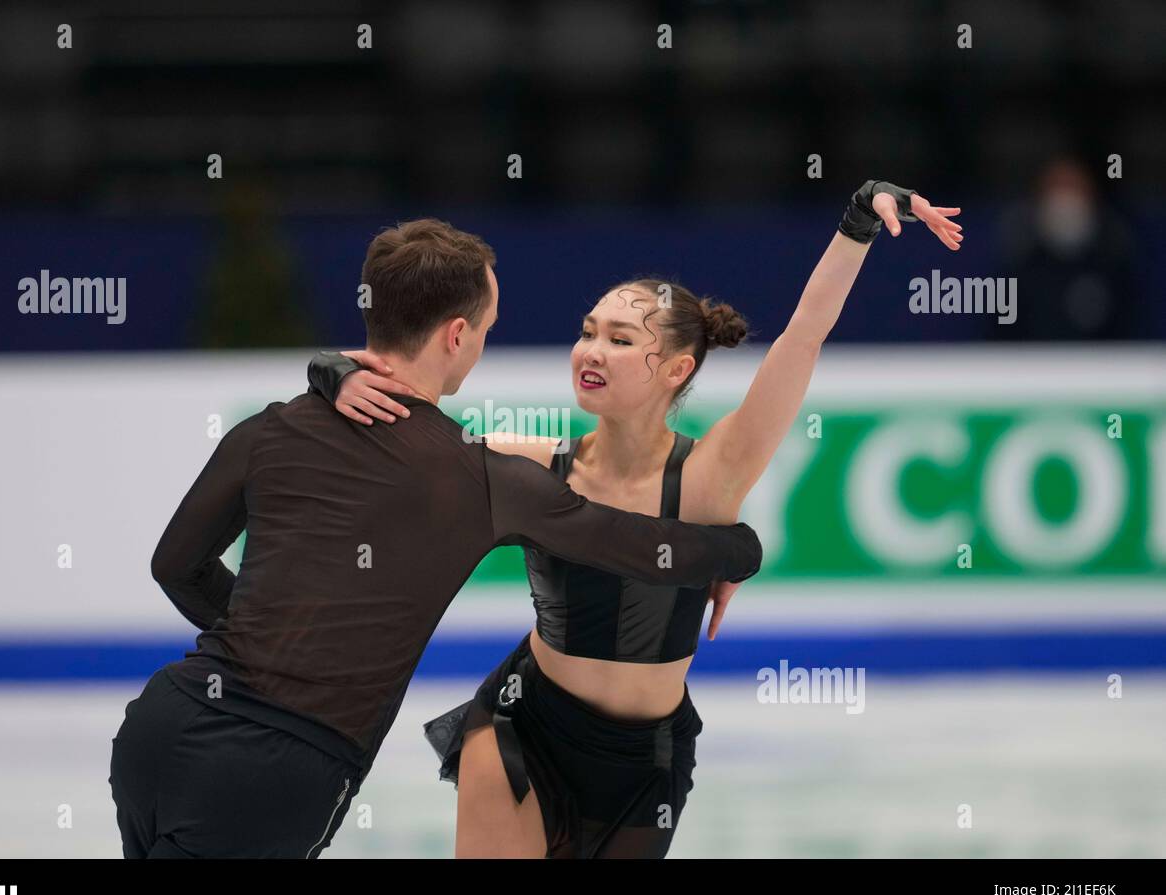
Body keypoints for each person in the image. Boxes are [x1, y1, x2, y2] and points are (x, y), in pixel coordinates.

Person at [307, 181, 963, 857]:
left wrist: (857, 221)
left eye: (619, 340)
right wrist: (330, 371)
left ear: (677, 369)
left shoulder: (711, 476)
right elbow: (405, 435)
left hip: (644, 760)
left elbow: (804, 336)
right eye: (587, 331)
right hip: (520, 726)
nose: (591, 351)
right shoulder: (530, 464)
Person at [108, 218, 764, 858]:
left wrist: (274, 645)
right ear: (456, 335)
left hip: (160, 728)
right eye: (484, 330)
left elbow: (176, 566)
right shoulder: (482, 477)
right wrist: (740, 550)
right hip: (278, 766)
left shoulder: (269, 428)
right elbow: (642, 549)